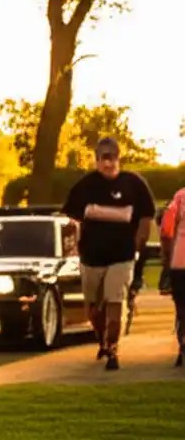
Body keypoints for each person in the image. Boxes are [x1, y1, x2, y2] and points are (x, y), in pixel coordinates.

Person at [60, 137, 156, 370]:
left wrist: (138, 244)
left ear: (118, 159)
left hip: (122, 256)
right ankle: (101, 338)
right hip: (91, 257)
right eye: (103, 159)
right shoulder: (85, 186)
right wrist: (71, 234)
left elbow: (146, 216)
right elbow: (71, 217)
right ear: (96, 161)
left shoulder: (134, 184)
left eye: (111, 158)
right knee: (93, 308)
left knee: (115, 302)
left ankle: (113, 348)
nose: (107, 164)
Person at [159, 187, 185, 366]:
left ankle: (182, 345)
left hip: (180, 261)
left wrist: (166, 260)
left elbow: (167, 231)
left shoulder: (180, 197)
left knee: (182, 308)